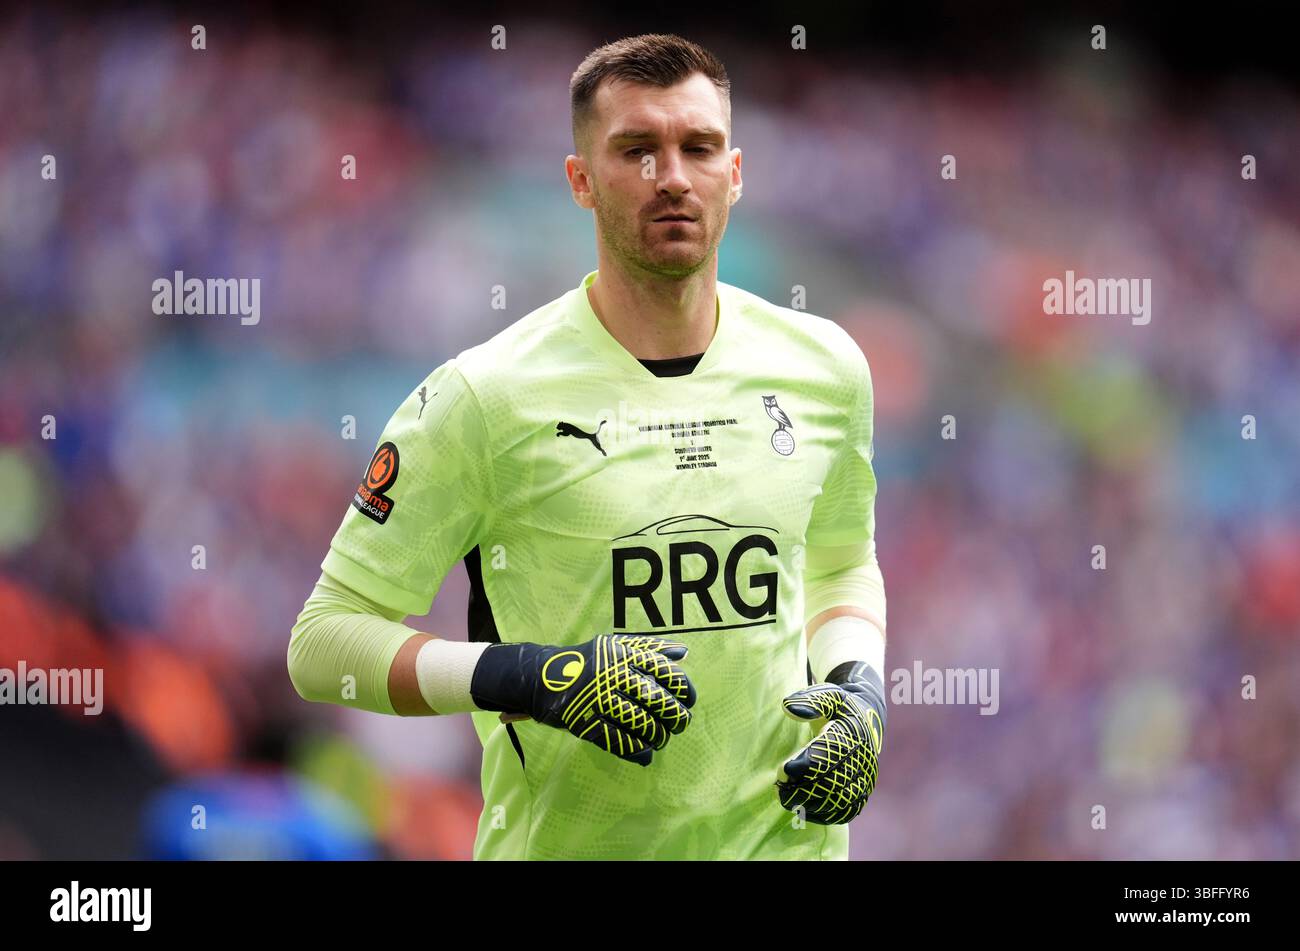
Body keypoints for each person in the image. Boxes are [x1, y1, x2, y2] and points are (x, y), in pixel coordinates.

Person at [289, 33, 888, 860]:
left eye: (699, 148)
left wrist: (859, 686)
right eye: (637, 150)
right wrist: (530, 676)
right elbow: (323, 645)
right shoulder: (485, 396)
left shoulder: (826, 367)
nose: (673, 177)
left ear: (736, 173)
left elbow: (840, 560)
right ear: (580, 181)